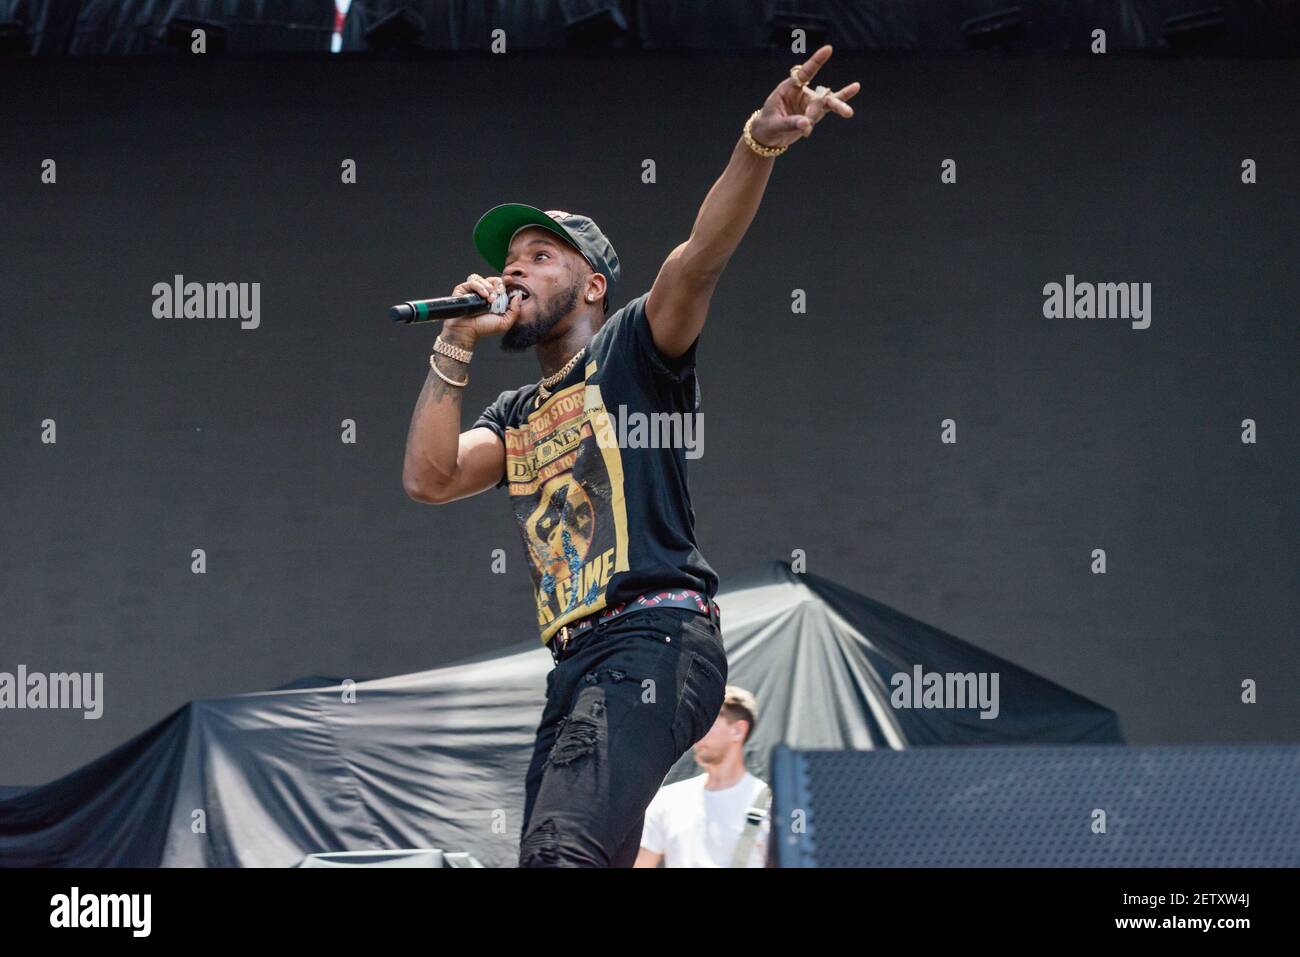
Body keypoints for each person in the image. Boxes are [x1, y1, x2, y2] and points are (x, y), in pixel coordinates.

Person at [401, 46, 859, 867]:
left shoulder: (630, 352)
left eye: (541, 257)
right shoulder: (514, 415)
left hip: (656, 635)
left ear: (591, 286)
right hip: (575, 663)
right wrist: (452, 337)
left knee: (559, 850)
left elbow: (698, 258)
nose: (515, 269)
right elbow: (429, 478)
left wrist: (756, 145)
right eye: (510, 260)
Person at [635, 686, 771, 868]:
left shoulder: (769, 805)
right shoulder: (669, 799)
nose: (697, 734)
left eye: (708, 724)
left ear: (738, 730)